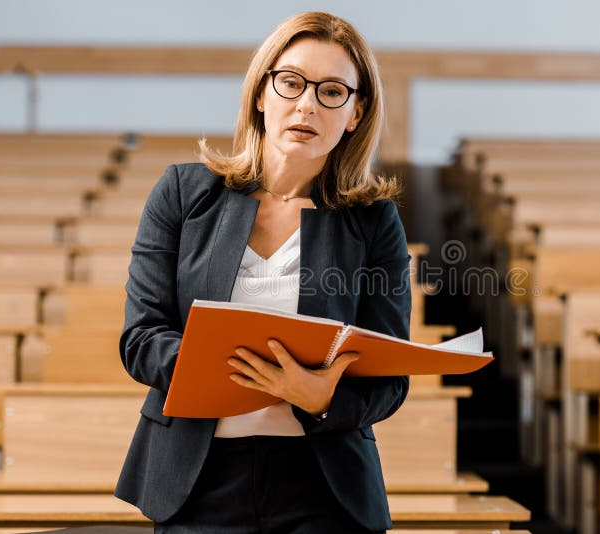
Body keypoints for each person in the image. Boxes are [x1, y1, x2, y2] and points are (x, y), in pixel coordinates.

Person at [115, 11, 411, 534]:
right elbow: (140, 339)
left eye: (332, 91)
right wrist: (223, 363)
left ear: (355, 113)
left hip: (324, 485)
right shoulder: (183, 194)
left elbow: (389, 377)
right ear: (260, 93)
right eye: (292, 82)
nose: (306, 104)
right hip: (197, 480)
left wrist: (324, 399)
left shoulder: (372, 220)